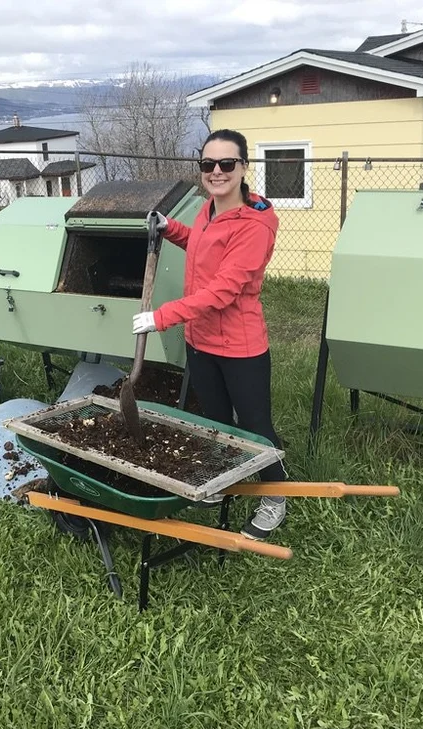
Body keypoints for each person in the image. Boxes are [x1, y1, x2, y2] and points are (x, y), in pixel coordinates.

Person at [130, 128, 288, 540]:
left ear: (243, 167)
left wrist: (160, 317)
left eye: (226, 164)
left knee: (255, 427)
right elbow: (202, 246)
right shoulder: (208, 210)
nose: (216, 171)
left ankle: (275, 497)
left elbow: (223, 290)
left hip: (240, 346)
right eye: (208, 164)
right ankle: (223, 479)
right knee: (216, 420)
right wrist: (171, 228)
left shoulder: (255, 225)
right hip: (200, 341)